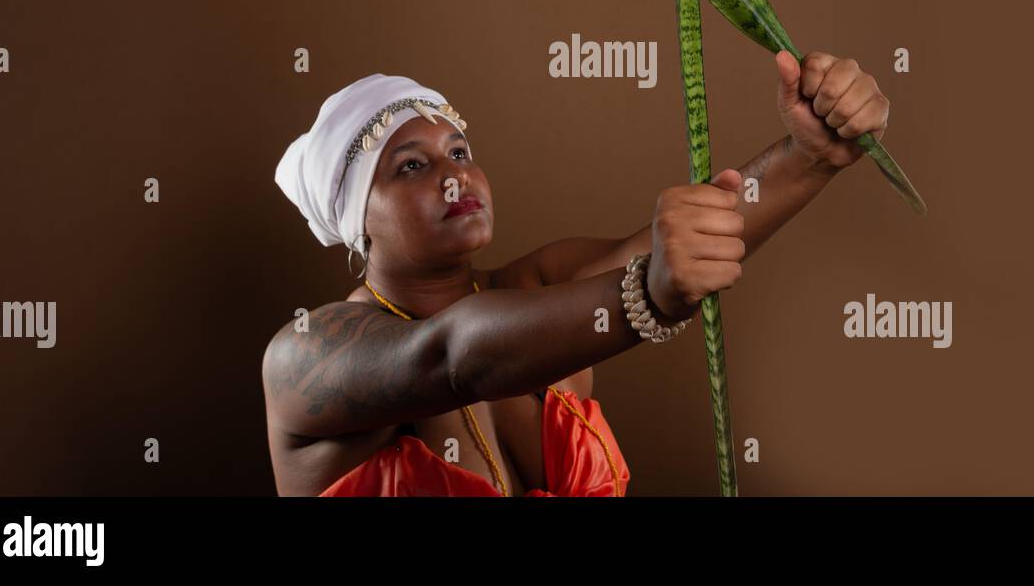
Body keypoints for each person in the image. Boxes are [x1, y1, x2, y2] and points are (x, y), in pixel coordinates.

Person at [263, 50, 890, 496]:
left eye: (459, 152)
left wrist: (811, 155)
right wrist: (648, 293)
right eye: (409, 167)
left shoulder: (539, 288)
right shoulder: (306, 356)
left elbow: (686, 238)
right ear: (356, 221)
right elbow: (452, 357)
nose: (455, 175)